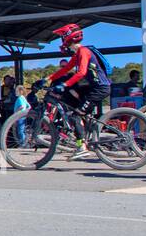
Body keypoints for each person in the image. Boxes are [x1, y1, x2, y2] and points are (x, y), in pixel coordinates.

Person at [47, 23, 112, 155]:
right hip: (94, 87)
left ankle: (81, 146)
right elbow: (65, 69)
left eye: (62, 38)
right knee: (70, 100)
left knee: (76, 114)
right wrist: (47, 79)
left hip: (99, 88)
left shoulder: (83, 52)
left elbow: (81, 73)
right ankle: (85, 129)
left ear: (67, 38)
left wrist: (65, 84)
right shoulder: (78, 54)